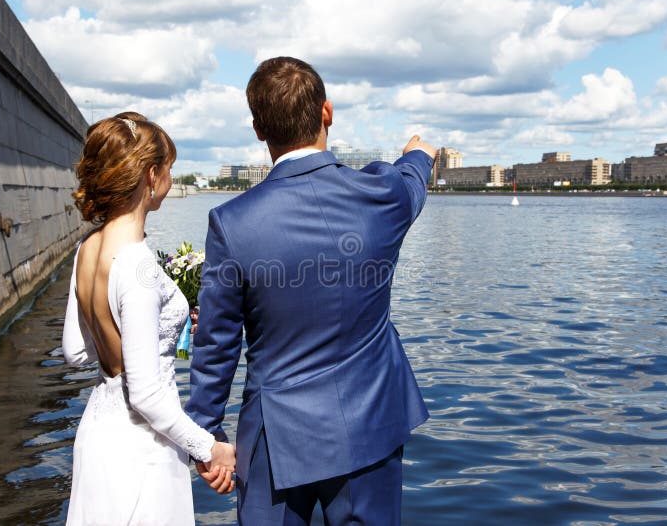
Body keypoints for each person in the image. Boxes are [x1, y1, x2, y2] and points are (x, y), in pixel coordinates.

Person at [186, 57, 437, 524]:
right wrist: (420, 153)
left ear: (260, 131)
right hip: (371, 423)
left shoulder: (232, 222)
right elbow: (412, 179)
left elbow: (216, 343)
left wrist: (206, 433)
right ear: (327, 112)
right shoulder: (382, 196)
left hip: (275, 438)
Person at [61, 112, 236, 525]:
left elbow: (75, 352)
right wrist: (209, 447)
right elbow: (144, 396)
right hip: (140, 449)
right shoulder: (135, 261)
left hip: (98, 434)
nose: (171, 178)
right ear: (152, 175)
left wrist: (143, 336)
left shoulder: (87, 248)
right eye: (170, 168)